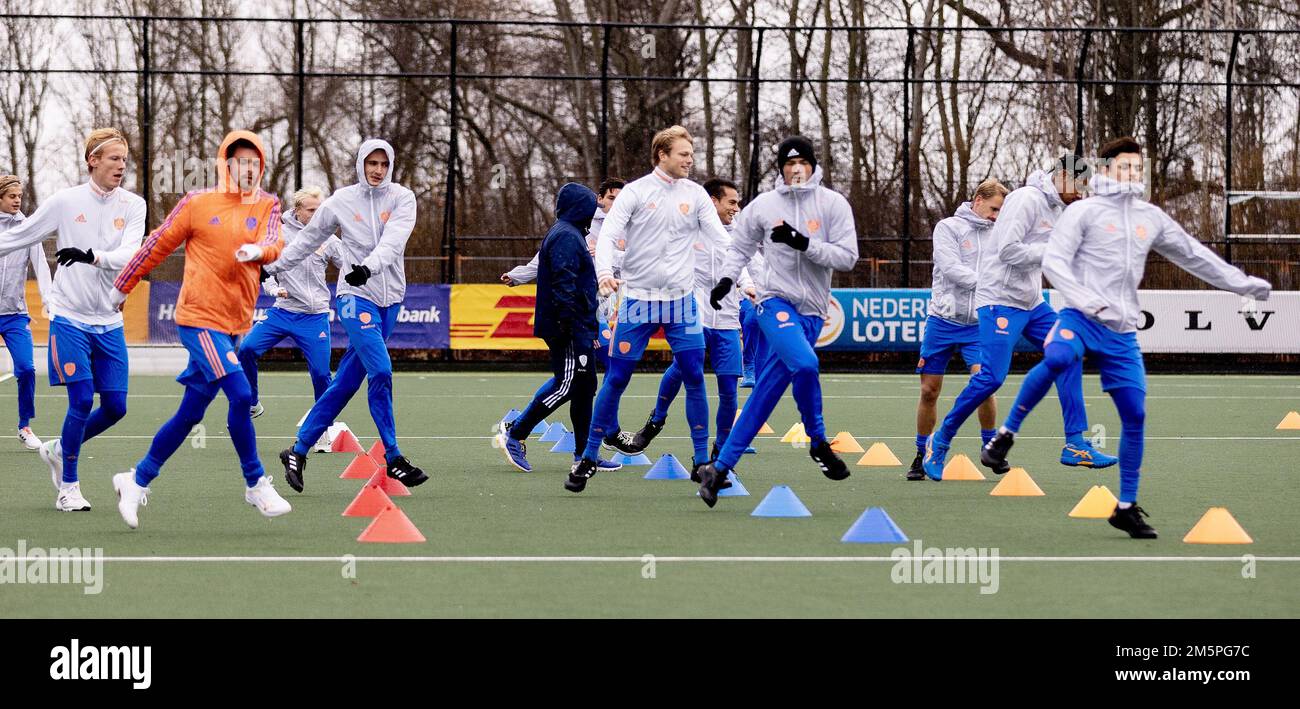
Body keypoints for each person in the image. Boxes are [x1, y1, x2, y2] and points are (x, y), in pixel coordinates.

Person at [981, 137, 1271, 539]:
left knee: (1135, 415)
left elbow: (1192, 254)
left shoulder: (1149, 217)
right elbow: (1055, 261)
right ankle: (1005, 435)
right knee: (1061, 357)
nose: (1131, 174)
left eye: (1137, 168)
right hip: (1080, 317)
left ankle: (1127, 507)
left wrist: (1241, 285)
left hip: (1121, 332)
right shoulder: (1082, 212)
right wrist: (1083, 299)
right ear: (1105, 169)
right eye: (1123, 167)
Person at [109, 130, 291, 529]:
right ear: (226, 164)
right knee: (242, 394)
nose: (248, 169)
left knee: (190, 413)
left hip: (233, 325)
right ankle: (255, 482)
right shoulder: (197, 203)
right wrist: (123, 284)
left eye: (255, 163)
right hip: (197, 318)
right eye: (241, 161)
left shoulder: (267, 205)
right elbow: (157, 244)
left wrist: (258, 251)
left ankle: (136, 480)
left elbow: (275, 242)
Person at [922, 154, 1117, 481]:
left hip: (1032, 303)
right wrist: (1055, 251)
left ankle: (1076, 443)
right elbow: (1008, 250)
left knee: (1068, 354)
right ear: (1064, 178)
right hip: (999, 301)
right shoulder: (1026, 199)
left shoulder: (1063, 210)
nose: (1083, 194)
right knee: (992, 378)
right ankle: (940, 440)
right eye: (1081, 186)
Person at [696, 135, 859, 507]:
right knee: (805, 363)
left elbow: (848, 257)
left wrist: (804, 243)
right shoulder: (764, 206)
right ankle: (818, 442)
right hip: (774, 302)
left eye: (802, 161)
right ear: (780, 168)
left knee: (766, 393)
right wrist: (727, 278)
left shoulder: (832, 204)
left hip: (813, 312)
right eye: (788, 162)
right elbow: (739, 247)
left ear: (814, 166)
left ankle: (718, 469)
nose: (795, 168)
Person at [567, 125, 727, 493]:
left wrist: (746, 278)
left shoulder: (696, 195)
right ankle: (588, 457)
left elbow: (722, 240)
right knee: (617, 379)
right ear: (662, 155)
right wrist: (605, 271)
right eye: (684, 154)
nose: (690, 159)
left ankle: (701, 461)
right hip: (638, 301)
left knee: (694, 377)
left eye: (691, 154)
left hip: (682, 304)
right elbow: (607, 235)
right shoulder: (636, 192)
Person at [268, 139, 427, 492]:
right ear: (360, 164)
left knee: (345, 383)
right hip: (354, 297)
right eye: (371, 163)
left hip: (390, 299)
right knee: (382, 371)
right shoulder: (340, 201)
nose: (377, 170)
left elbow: (393, 242)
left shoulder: (402, 198)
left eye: (383, 164)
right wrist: (271, 268)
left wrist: (368, 267)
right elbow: (306, 241)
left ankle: (297, 450)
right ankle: (394, 457)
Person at [0, 128, 143, 512]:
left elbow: (132, 252)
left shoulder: (134, 205)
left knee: (116, 407)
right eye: (113, 158)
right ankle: (69, 488)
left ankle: (60, 448)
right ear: (92, 160)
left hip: (109, 320)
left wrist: (92, 256)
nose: (121, 165)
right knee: (81, 399)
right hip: (69, 317)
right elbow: (19, 236)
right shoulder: (65, 201)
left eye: (124, 159)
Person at [624, 177, 754, 462]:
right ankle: (655, 421)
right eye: (731, 202)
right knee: (681, 371)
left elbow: (745, 268)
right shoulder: (686, 230)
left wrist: (752, 287)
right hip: (693, 317)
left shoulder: (740, 236)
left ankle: (721, 453)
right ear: (712, 201)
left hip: (728, 322)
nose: (736, 207)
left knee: (730, 390)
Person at [495, 183, 620, 474]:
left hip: (578, 324)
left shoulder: (570, 232)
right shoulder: (566, 235)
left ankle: (584, 454)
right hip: (569, 326)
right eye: (592, 207)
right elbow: (564, 283)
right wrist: (571, 325)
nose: (595, 212)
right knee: (568, 384)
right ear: (581, 209)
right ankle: (516, 432)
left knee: (586, 386)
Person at [908, 180, 1007, 481]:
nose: (996, 216)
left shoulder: (1001, 234)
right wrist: (989, 283)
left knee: (984, 383)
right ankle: (920, 453)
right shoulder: (948, 228)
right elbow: (950, 268)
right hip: (942, 321)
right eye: (993, 209)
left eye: (1001, 212)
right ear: (978, 200)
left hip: (979, 323)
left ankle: (990, 447)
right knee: (929, 391)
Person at [237, 186, 342, 427]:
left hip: (314, 317)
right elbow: (265, 270)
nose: (317, 215)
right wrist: (274, 289)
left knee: (320, 373)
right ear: (297, 210)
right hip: (282, 311)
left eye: (320, 210)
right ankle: (252, 403)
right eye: (311, 210)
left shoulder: (328, 238)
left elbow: (349, 267)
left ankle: (324, 427)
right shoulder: (278, 234)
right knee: (247, 349)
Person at [0, 175, 53, 449]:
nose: (17, 200)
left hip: (14, 315)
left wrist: (48, 299)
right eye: (12, 196)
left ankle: (24, 426)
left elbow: (41, 265)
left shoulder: (28, 228)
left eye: (19, 196)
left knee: (27, 368)